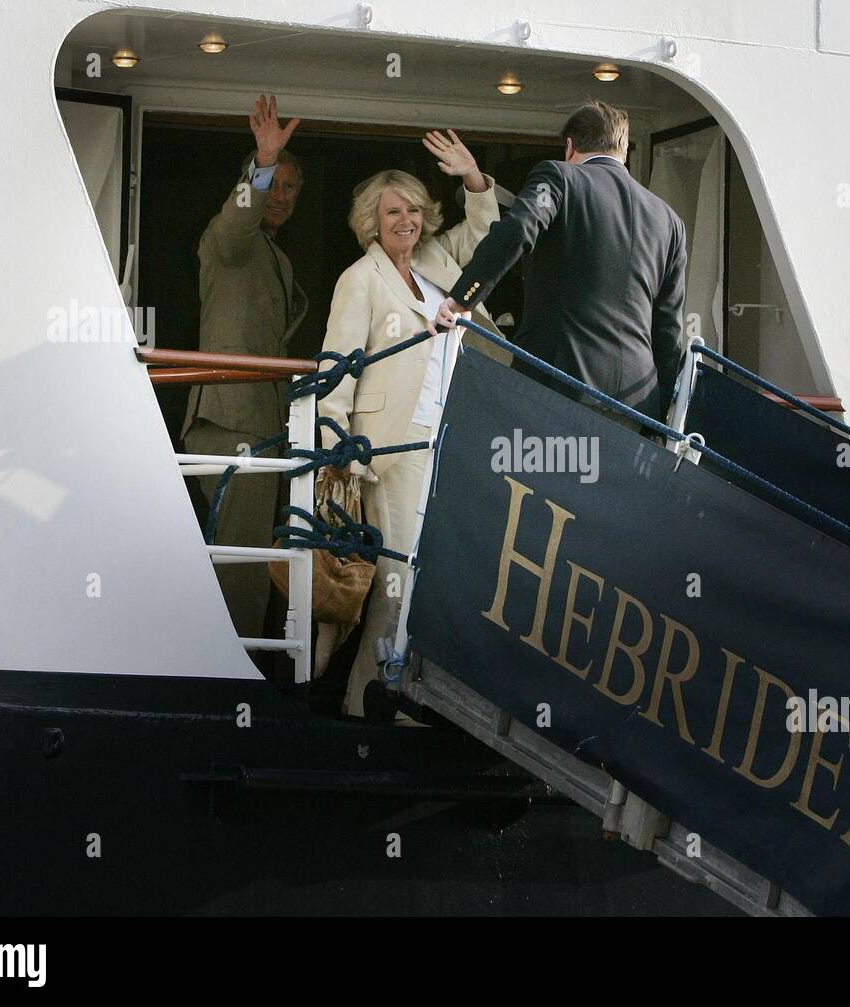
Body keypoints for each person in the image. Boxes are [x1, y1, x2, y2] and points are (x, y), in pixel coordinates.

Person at [317, 130, 509, 715]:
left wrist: (474, 178)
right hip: (388, 452)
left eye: (414, 210)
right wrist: (335, 442)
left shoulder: (434, 260)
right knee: (395, 579)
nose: (405, 220)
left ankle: (410, 700)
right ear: (371, 223)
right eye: (392, 211)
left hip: (446, 446)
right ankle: (368, 705)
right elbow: (336, 365)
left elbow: (487, 235)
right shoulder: (360, 278)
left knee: (434, 581)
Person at [436, 101, 687, 430]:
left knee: (537, 480)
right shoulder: (670, 220)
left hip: (559, 386)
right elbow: (669, 331)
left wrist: (461, 300)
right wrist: (661, 412)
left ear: (570, 146)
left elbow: (518, 231)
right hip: (636, 404)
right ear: (623, 149)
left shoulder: (558, 177)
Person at [181, 94, 307, 641]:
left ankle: (234, 671)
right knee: (239, 562)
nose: (278, 194)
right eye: (271, 183)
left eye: (288, 186)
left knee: (245, 555)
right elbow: (238, 221)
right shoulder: (228, 240)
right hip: (232, 420)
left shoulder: (276, 255)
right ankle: (235, 683)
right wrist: (262, 161)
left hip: (261, 424)